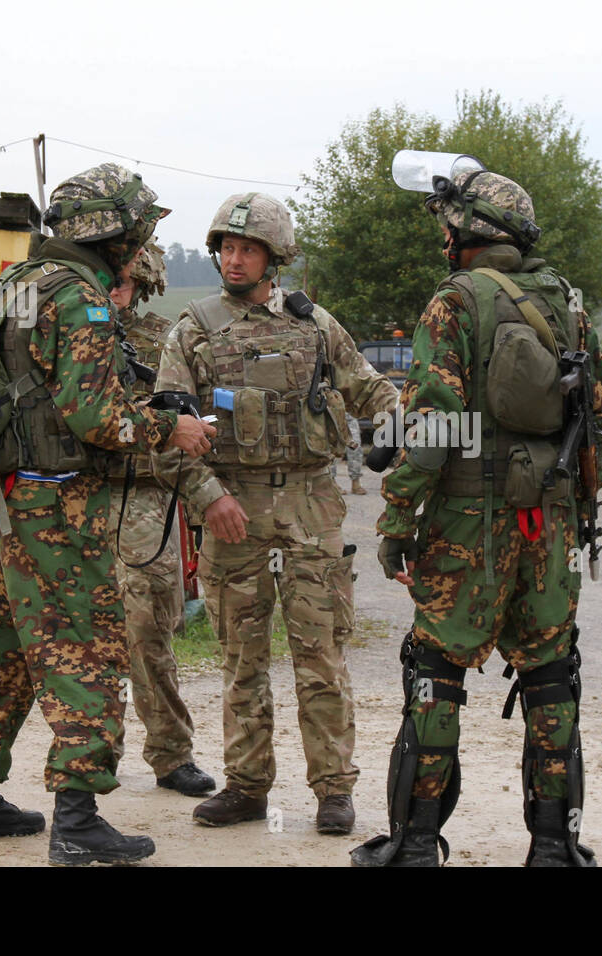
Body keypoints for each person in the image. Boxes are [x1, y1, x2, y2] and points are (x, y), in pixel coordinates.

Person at [0, 164, 215, 865]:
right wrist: (167, 430)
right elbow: (95, 416)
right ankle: (78, 817)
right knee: (84, 650)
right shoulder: (81, 297)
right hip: (56, 505)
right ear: (116, 232)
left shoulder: (15, 284)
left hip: (1, 494)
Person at [351, 167, 602, 868]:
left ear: (468, 231)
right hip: (552, 518)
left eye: (447, 223)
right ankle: (556, 847)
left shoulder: (456, 302)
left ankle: (413, 846)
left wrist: (398, 515)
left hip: (467, 525)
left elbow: (436, 425)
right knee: (551, 676)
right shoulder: (565, 298)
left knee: (435, 672)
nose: (442, 233)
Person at [156, 191, 399, 836]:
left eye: (247, 249)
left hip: (311, 503)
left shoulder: (315, 325)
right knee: (242, 653)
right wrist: (211, 498)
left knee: (320, 650)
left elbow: (369, 386)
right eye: (226, 249)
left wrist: (410, 421)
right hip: (233, 505)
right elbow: (164, 431)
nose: (233, 261)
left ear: (274, 256)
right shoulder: (193, 330)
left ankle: (334, 790)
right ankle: (246, 785)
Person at [106, 242, 217, 797]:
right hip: (86, 498)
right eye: (110, 279)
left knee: (151, 633)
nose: (114, 289)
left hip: (148, 500)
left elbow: (192, 418)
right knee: (93, 635)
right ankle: (95, 756)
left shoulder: (164, 339)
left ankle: (171, 755)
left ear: (142, 284)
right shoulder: (78, 335)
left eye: (124, 281)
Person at [329, 412, 366, 494]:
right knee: (332, 448)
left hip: (349, 415)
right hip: (331, 414)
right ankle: (332, 483)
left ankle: (356, 482)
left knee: (356, 447)